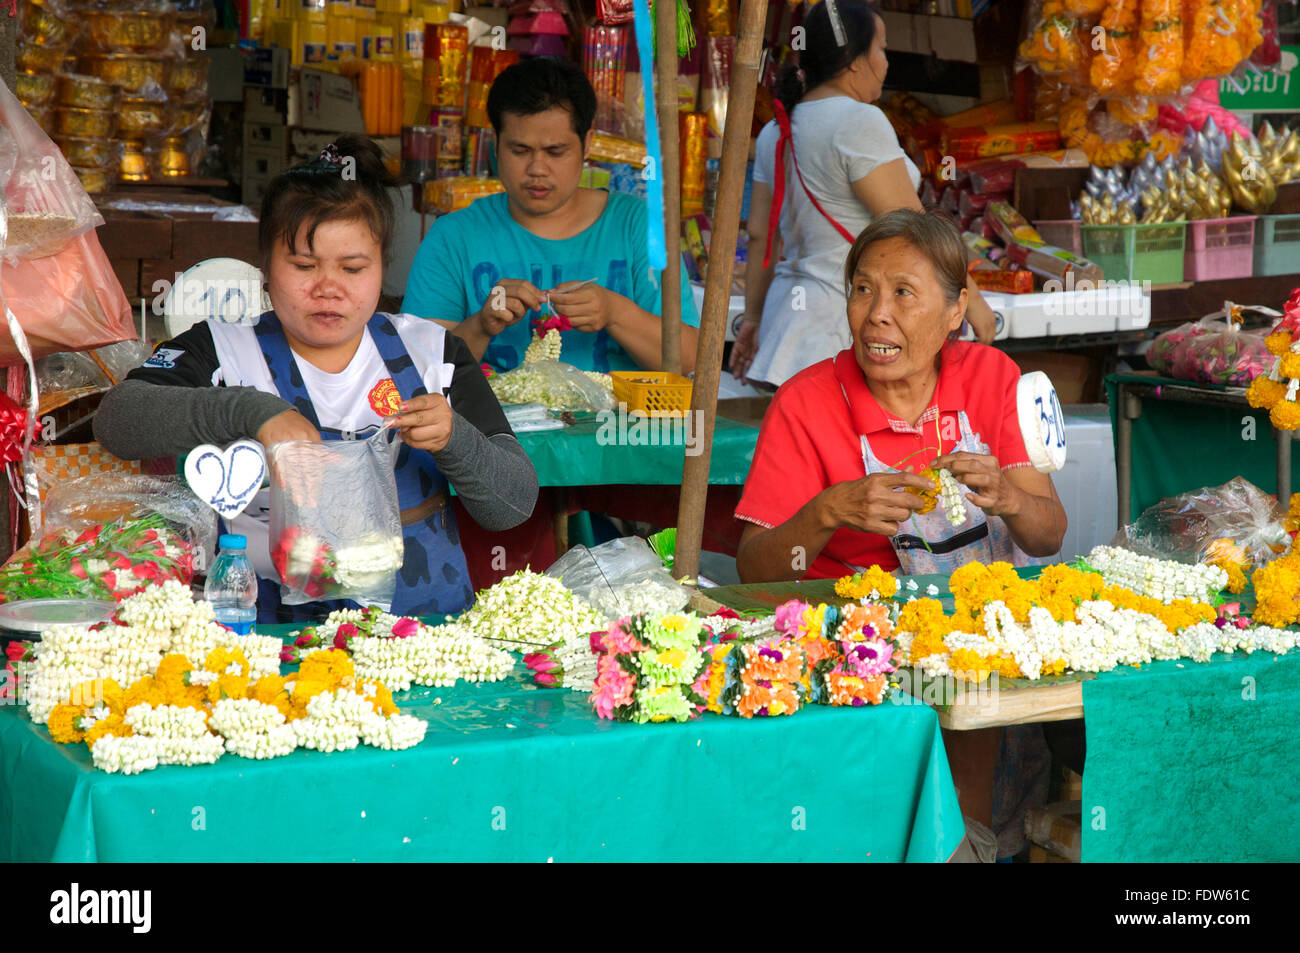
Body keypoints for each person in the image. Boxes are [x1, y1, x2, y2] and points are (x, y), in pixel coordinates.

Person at [94, 135, 539, 621]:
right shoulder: (221, 348)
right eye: (304, 265)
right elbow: (117, 421)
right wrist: (254, 412)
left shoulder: (433, 354)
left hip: (420, 634)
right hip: (263, 639)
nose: (328, 288)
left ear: (381, 268)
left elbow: (512, 506)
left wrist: (455, 439)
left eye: (352, 268)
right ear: (265, 266)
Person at [734, 208, 1065, 583]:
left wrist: (1010, 499)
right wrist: (825, 513)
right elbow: (753, 572)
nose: (877, 314)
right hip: (864, 631)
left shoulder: (994, 377)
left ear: (956, 309)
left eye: (903, 292)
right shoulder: (804, 404)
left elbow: (1048, 538)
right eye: (863, 289)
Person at [729, 0, 996, 388]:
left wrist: (753, 318)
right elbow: (914, 230)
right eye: (882, 49)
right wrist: (972, 302)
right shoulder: (857, 121)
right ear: (855, 60)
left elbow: (760, 235)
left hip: (785, 323)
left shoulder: (775, 130)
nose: (886, 63)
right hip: (843, 329)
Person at [403, 57, 700, 374]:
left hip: (621, 425)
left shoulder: (639, 227)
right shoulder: (453, 237)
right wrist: (480, 326)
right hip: (495, 425)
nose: (537, 170)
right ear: (495, 145)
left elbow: (690, 360)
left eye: (555, 152)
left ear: (587, 146)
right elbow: (414, 371)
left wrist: (616, 313)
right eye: (520, 150)